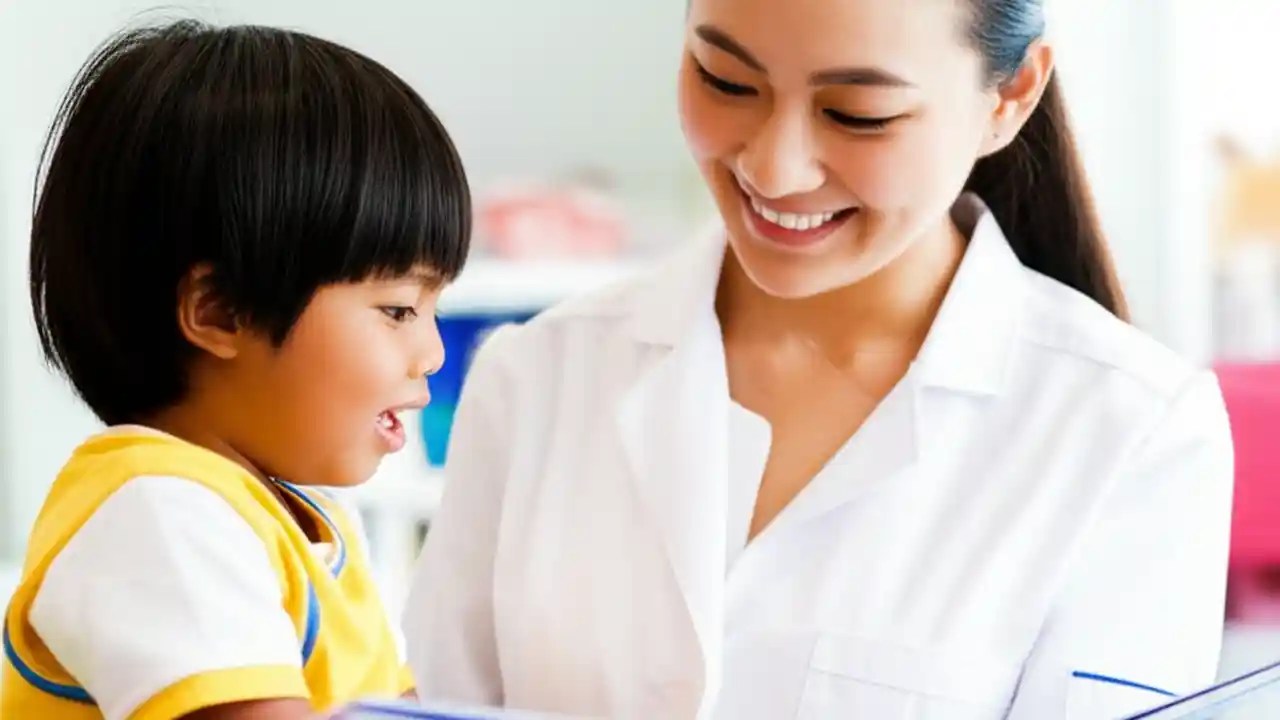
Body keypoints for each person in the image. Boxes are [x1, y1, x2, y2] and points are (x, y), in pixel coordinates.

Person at [403, 0, 1235, 718]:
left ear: (1010, 96)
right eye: (726, 82)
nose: (773, 166)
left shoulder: (1137, 435)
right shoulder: (537, 377)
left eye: (858, 113)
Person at [1, 20, 470, 720]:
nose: (431, 353)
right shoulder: (156, 511)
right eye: (399, 309)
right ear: (220, 313)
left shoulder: (308, 526)